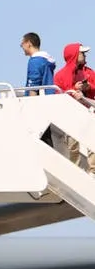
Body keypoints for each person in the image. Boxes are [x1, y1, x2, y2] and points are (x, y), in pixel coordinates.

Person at [53, 42, 95, 174]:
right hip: (71, 115)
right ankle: (75, 171)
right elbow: (58, 95)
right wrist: (73, 89)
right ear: (75, 54)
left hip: (88, 112)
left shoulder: (89, 72)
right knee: (72, 145)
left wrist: (88, 88)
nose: (85, 55)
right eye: (82, 53)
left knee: (92, 143)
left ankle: (93, 172)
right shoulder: (60, 75)